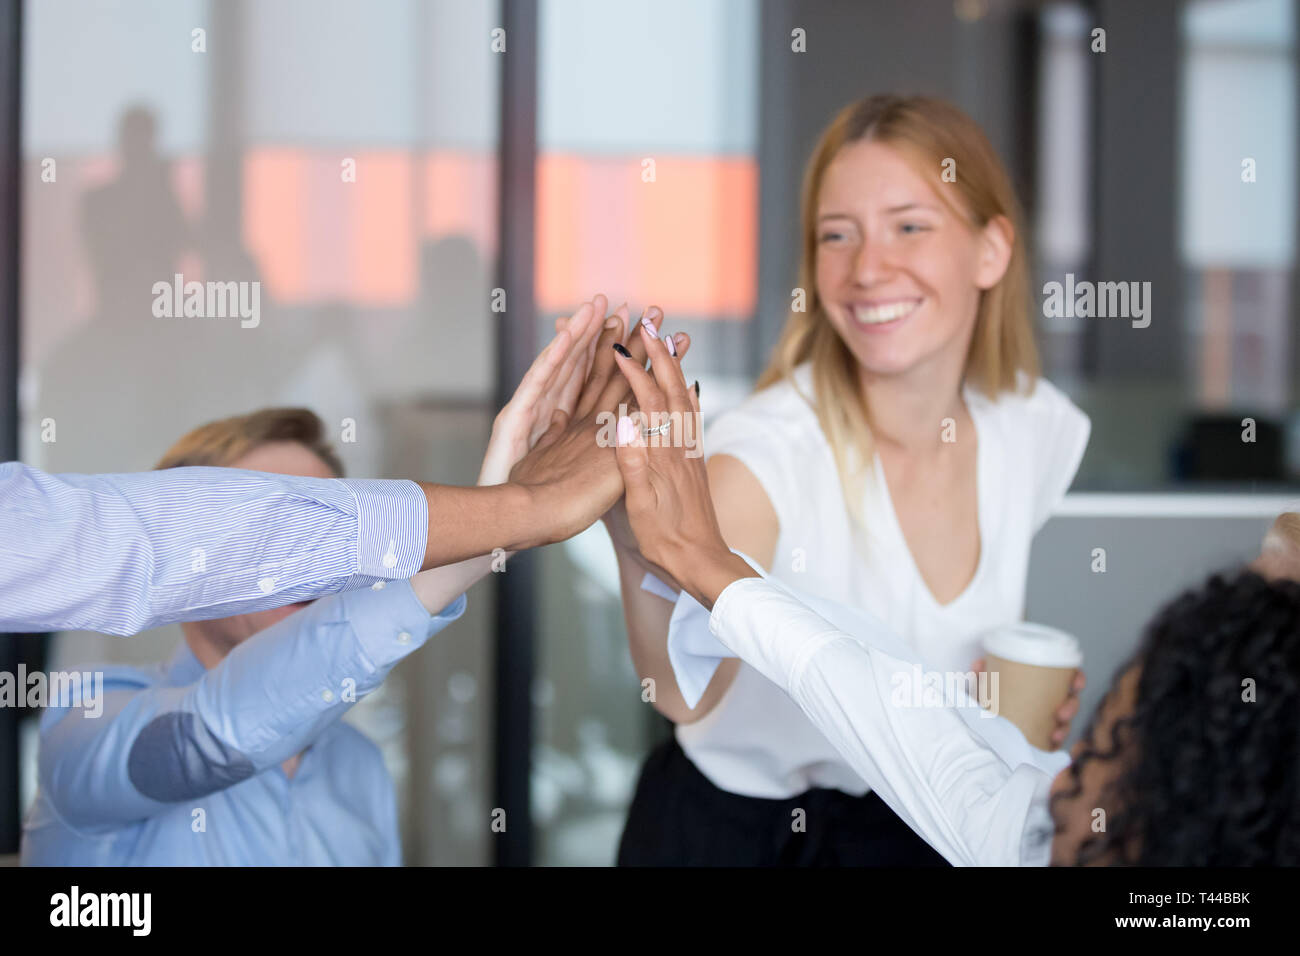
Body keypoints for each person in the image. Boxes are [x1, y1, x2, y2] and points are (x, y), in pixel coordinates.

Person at [22, 302, 697, 865]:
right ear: (198, 554)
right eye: (283, 540)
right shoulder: (86, 721)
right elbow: (211, 735)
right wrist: (502, 518)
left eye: (325, 547)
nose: (310, 567)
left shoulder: (358, 767)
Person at [605, 326, 1300, 866]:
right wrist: (995, 730)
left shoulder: (1027, 833)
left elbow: (877, 704)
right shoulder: (1035, 819)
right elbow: (903, 714)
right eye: (1095, 742)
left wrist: (698, 558)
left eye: (1116, 749)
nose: (1060, 780)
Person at [605, 94, 1090, 866]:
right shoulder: (768, 448)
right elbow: (679, 689)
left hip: (925, 831)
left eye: (910, 226)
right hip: (743, 836)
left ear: (991, 250)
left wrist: (987, 721)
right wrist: (638, 549)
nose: (868, 268)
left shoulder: (1031, 429)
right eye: (838, 235)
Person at [0, 297, 645, 637]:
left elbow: (309, 670)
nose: (309, 570)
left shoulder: (352, 775)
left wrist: (502, 519)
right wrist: (515, 509)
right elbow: (148, 542)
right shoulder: (104, 730)